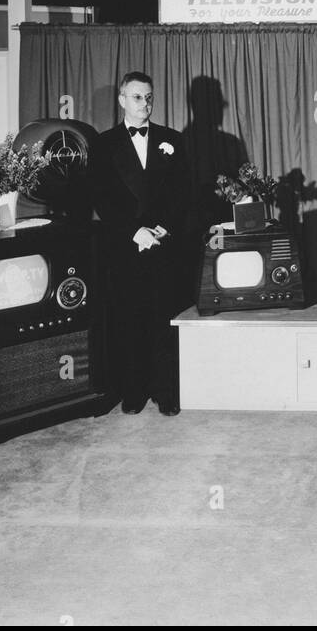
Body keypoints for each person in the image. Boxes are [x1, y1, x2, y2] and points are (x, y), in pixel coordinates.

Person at [91, 71, 189, 416]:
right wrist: (135, 232)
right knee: (129, 319)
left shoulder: (173, 140)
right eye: (136, 97)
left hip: (164, 246)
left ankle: (166, 392)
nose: (144, 103)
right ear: (122, 100)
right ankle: (133, 392)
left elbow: (183, 192)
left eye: (148, 97)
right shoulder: (103, 144)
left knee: (165, 318)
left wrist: (164, 227)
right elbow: (102, 198)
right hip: (126, 247)